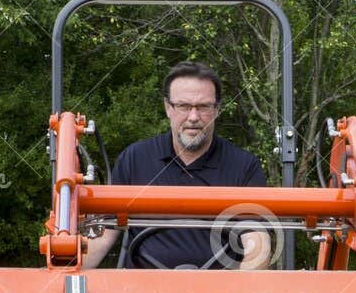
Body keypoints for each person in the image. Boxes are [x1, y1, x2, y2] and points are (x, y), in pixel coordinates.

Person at [86, 62, 273, 270]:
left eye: (203, 107)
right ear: (168, 108)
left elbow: (257, 243)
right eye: (184, 106)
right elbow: (103, 236)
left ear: (217, 109)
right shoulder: (135, 159)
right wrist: (59, 280)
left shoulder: (243, 166)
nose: (193, 117)